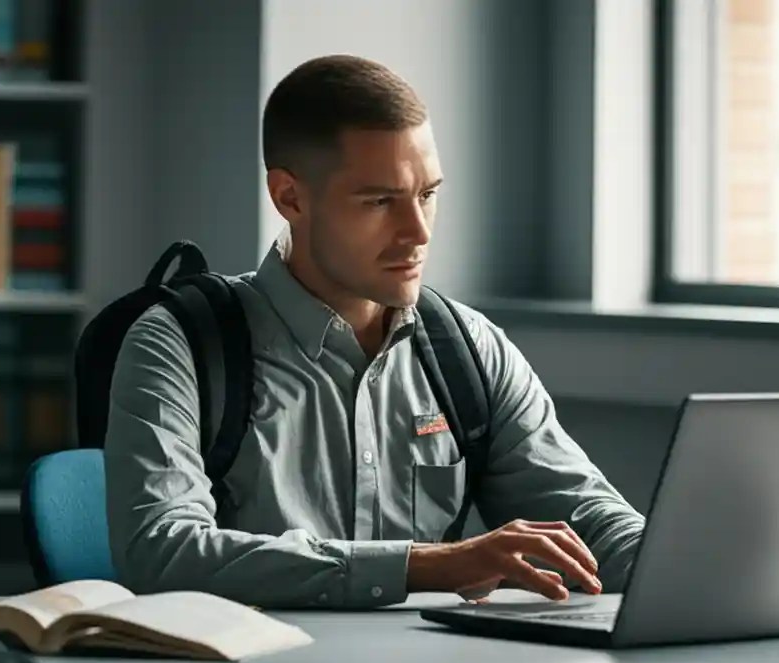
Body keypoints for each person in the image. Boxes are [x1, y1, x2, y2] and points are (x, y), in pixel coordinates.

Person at [103, 54, 645, 609]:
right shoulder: (177, 344)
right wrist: (425, 566)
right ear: (290, 197)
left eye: (427, 195)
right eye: (380, 201)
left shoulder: (469, 349)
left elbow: (591, 521)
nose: (417, 233)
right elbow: (161, 550)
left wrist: (686, 561)